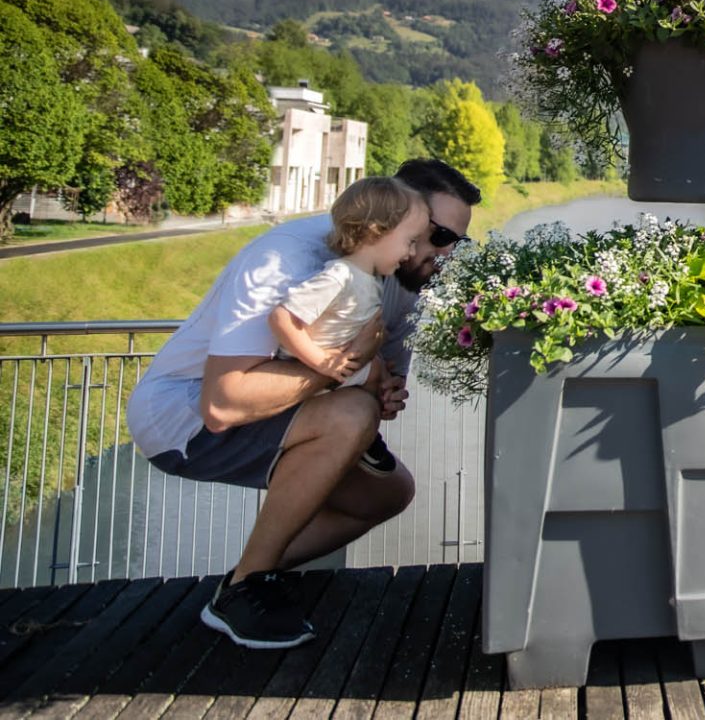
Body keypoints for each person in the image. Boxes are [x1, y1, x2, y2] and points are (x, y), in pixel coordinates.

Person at [127, 158, 481, 650]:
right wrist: (350, 375)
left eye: (458, 244)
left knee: (388, 493)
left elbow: (382, 374)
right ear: (398, 214)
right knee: (352, 415)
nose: (444, 255)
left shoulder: (395, 273)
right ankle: (242, 590)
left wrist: (381, 387)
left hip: (282, 409)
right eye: (439, 236)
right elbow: (223, 402)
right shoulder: (287, 260)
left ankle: (255, 570)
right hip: (179, 420)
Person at [269, 178, 429, 390]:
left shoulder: (367, 279)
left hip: (334, 366)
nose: (412, 253)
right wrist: (322, 363)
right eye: (410, 241)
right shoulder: (339, 277)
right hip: (304, 367)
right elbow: (281, 318)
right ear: (376, 231)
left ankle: (382, 395)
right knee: (373, 373)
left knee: (379, 372)